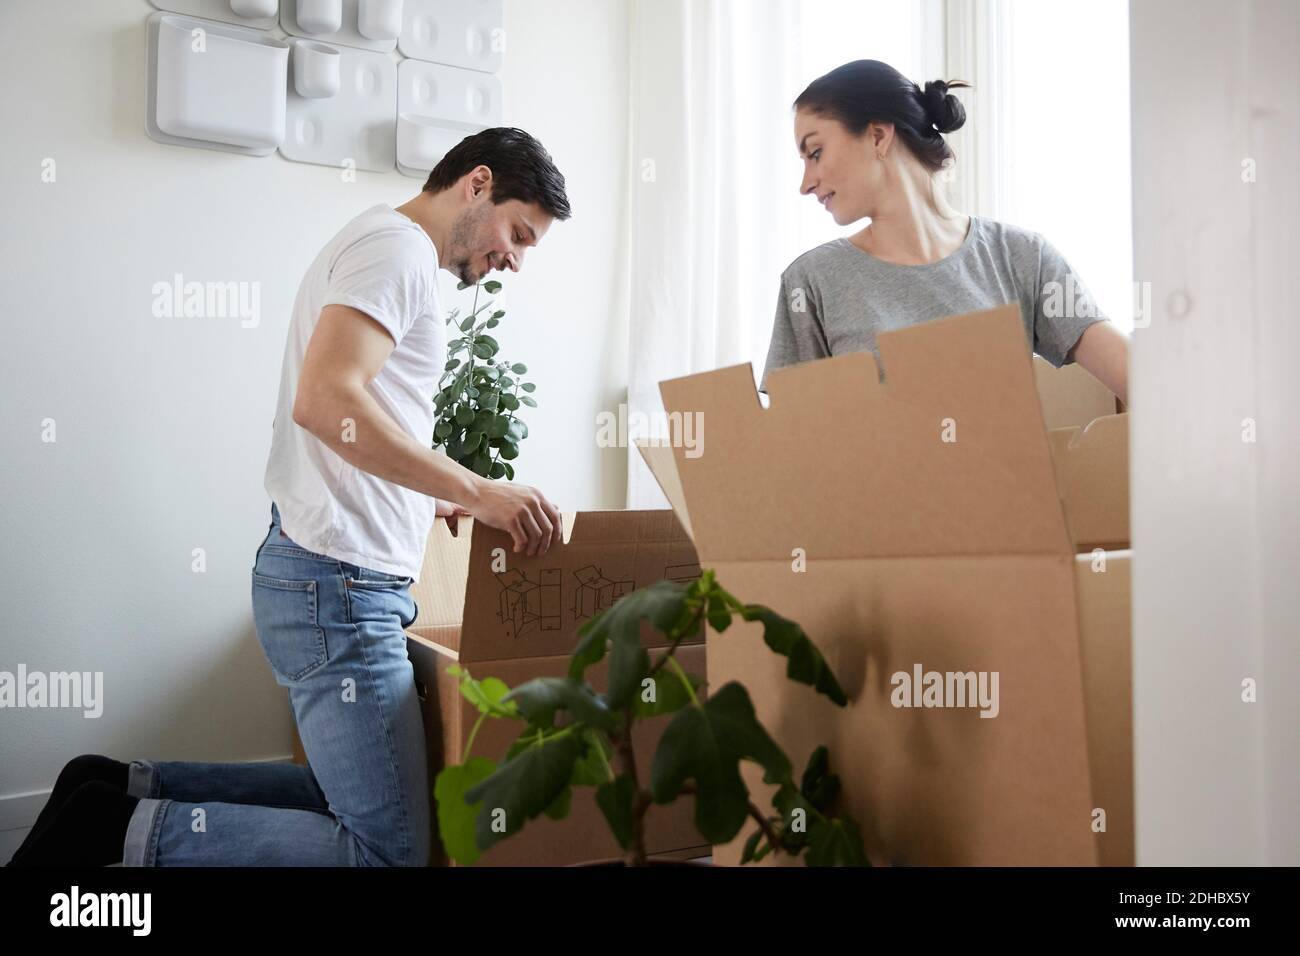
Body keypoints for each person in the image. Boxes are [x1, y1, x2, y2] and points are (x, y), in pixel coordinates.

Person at [9, 127, 571, 867]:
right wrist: (478, 488)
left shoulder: (387, 246)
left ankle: (113, 790)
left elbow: (354, 414)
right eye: (517, 233)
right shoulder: (396, 252)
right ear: (477, 183)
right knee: (384, 852)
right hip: (340, 590)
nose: (513, 261)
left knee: (346, 805)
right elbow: (325, 399)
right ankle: (107, 829)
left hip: (328, 578)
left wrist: (421, 499)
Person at [762, 60, 1129, 404]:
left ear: (877, 136)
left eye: (815, 153)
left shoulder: (1021, 256)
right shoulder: (809, 283)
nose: (806, 184)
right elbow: (796, 448)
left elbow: (1138, 378)